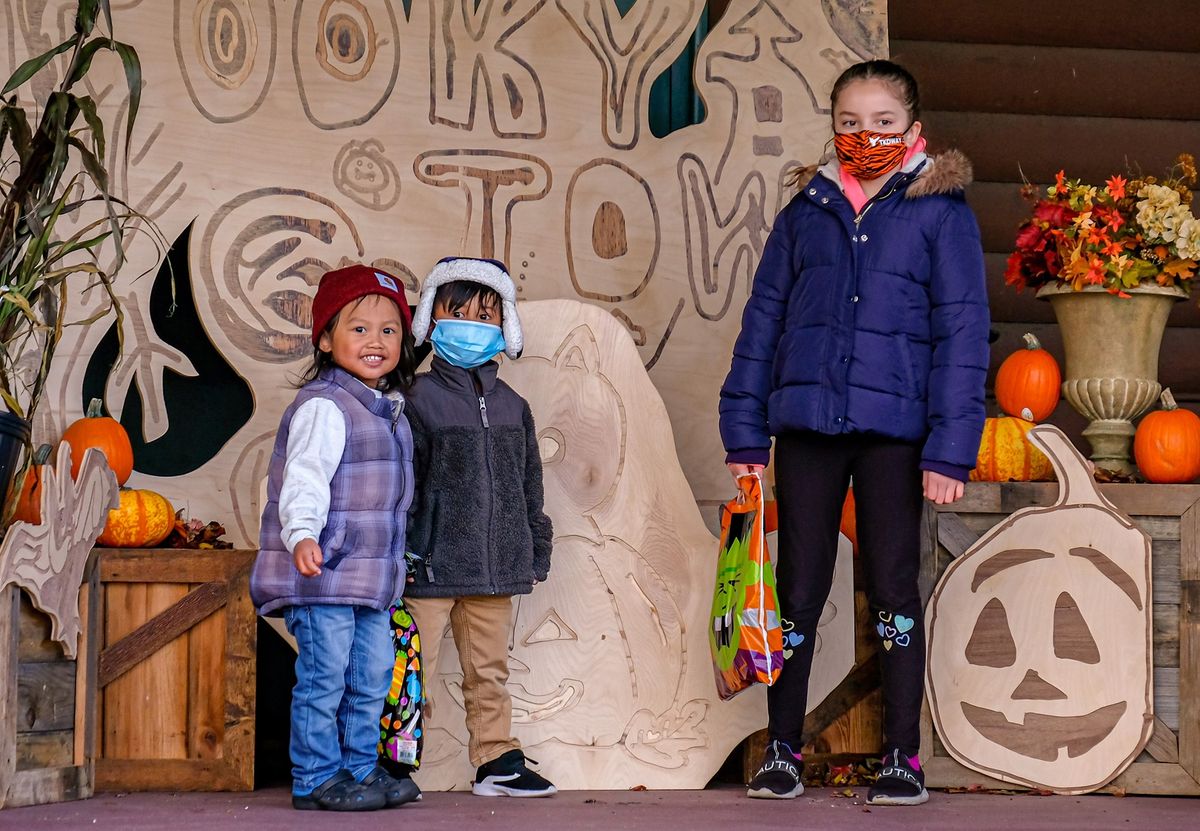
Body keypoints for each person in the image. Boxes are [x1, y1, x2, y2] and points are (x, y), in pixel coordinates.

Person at [718, 60, 990, 806]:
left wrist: (949, 448)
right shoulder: (805, 212)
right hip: (807, 428)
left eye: (880, 123)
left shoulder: (942, 213)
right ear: (833, 125)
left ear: (912, 130)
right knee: (797, 591)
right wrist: (746, 434)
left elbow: (963, 335)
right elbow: (762, 324)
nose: (863, 135)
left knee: (894, 590)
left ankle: (902, 755)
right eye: (848, 121)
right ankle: (782, 747)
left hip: (896, 436)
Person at [250, 264, 421, 811]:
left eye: (389, 331)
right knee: (326, 678)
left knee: (370, 678)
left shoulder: (388, 409)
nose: (376, 341)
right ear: (325, 338)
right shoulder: (326, 405)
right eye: (359, 329)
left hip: (370, 578)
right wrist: (301, 534)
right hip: (325, 571)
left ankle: (359, 769)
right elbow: (305, 478)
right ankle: (316, 778)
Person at [403, 256, 557, 797]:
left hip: (494, 570)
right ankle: (391, 762)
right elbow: (404, 486)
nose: (472, 324)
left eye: (486, 314)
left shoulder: (515, 406)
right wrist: (405, 552)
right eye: (459, 311)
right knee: (405, 672)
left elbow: (529, 485)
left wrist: (533, 548)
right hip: (427, 569)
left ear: (505, 327)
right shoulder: (415, 399)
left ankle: (496, 761)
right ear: (431, 319)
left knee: (489, 673)